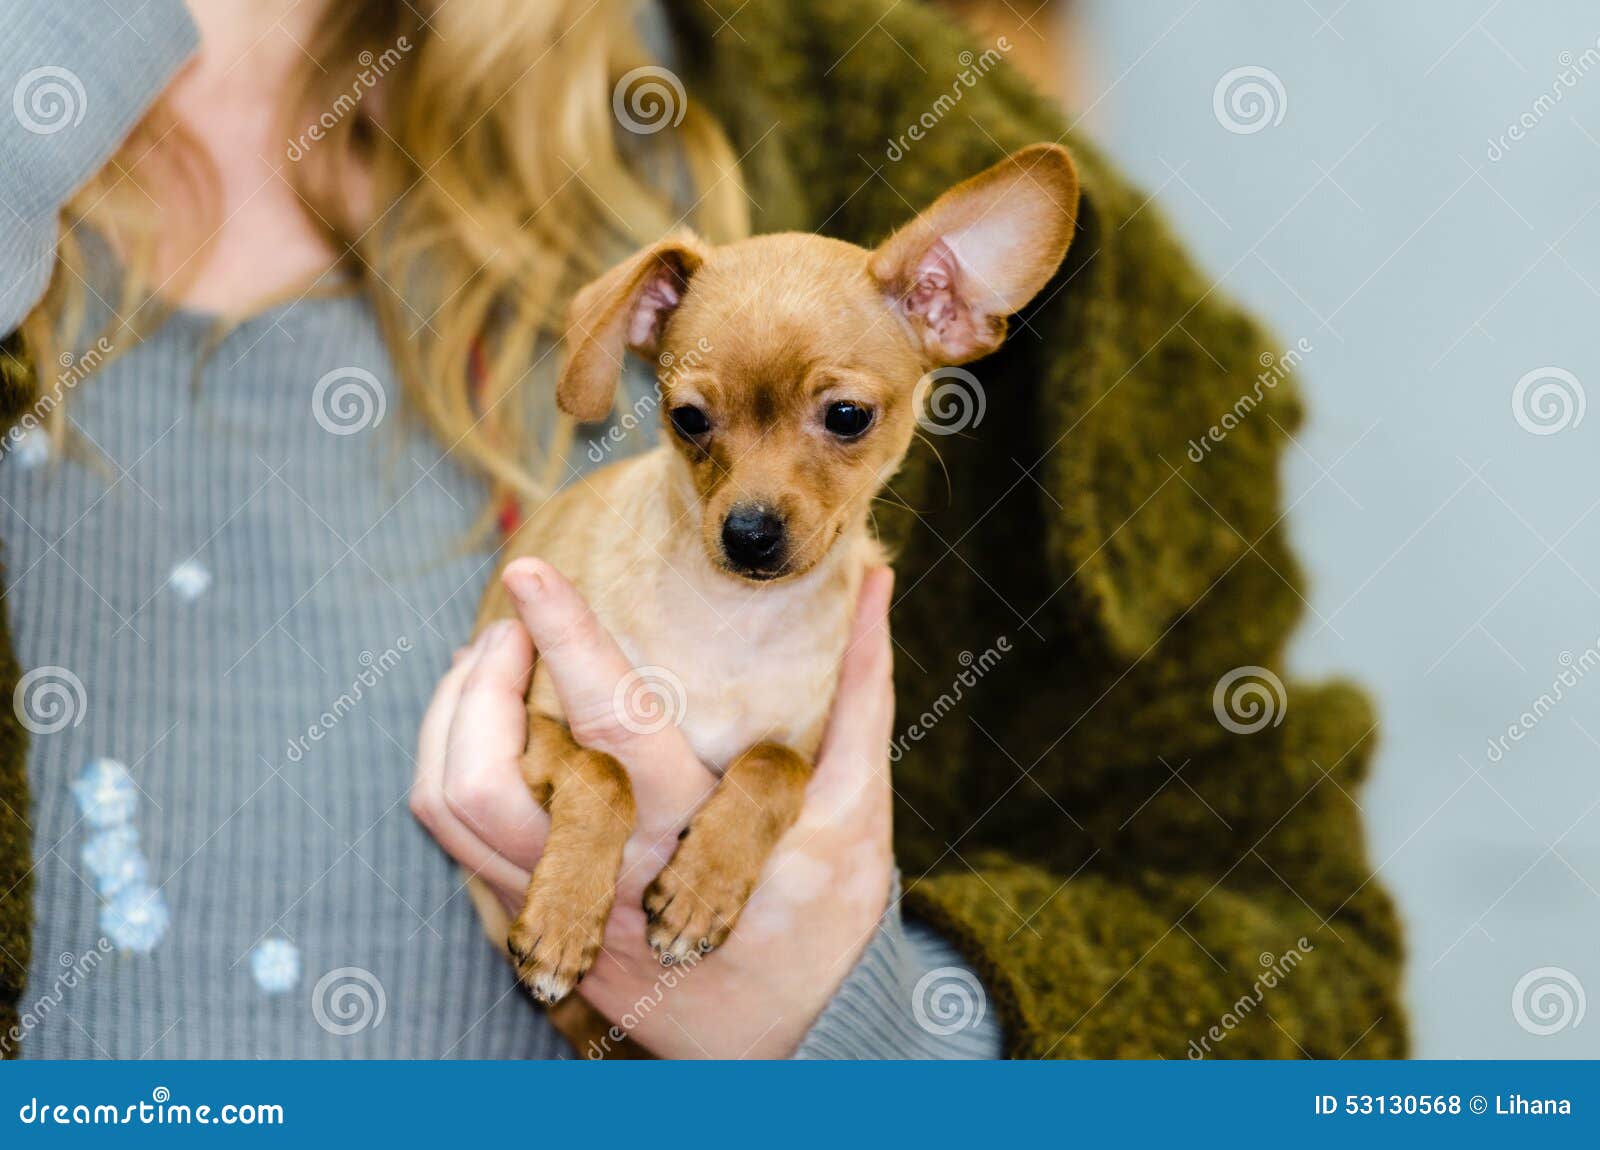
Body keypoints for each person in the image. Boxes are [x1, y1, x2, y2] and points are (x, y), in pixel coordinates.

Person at [0, 0, 1406, 1059]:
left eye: (842, 424)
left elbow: (1311, 991)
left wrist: (867, 1028)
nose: (756, 494)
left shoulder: (859, 109)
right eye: (695, 425)